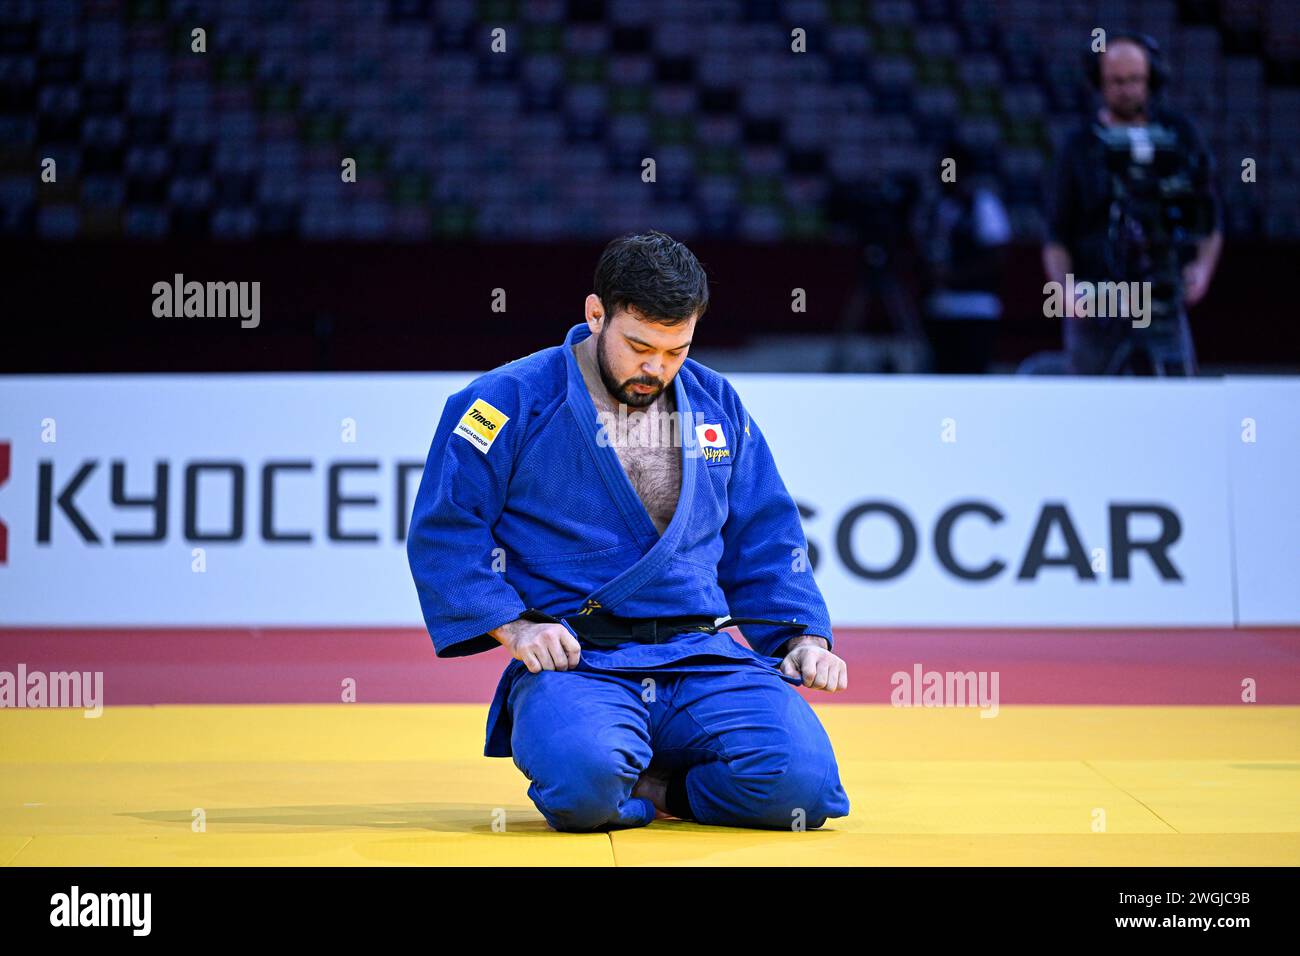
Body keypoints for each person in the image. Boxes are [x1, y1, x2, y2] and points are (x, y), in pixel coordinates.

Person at [406, 231, 851, 832]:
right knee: (583, 790)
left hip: (703, 657)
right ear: (595, 315)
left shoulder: (716, 403)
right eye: (640, 346)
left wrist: (803, 640)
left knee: (806, 790)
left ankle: (655, 785)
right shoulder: (503, 402)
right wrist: (516, 628)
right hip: (580, 660)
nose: (656, 369)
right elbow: (445, 531)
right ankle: (613, 772)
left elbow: (765, 538)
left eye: (676, 351)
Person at [1043, 32, 1223, 375]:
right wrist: (1063, 288)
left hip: (1162, 299)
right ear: (1099, 81)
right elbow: (1056, 235)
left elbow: (1209, 218)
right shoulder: (1078, 146)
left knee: (1177, 400)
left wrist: (1201, 268)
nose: (1126, 90)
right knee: (1088, 405)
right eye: (1115, 81)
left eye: (1135, 80)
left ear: (1152, 78)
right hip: (1096, 300)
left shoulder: (1179, 136)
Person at [917, 141, 1012, 373]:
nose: (944, 176)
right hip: (939, 309)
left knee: (973, 376)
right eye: (941, 170)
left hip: (976, 307)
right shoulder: (934, 208)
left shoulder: (983, 205)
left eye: (950, 170)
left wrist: (955, 277)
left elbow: (997, 258)